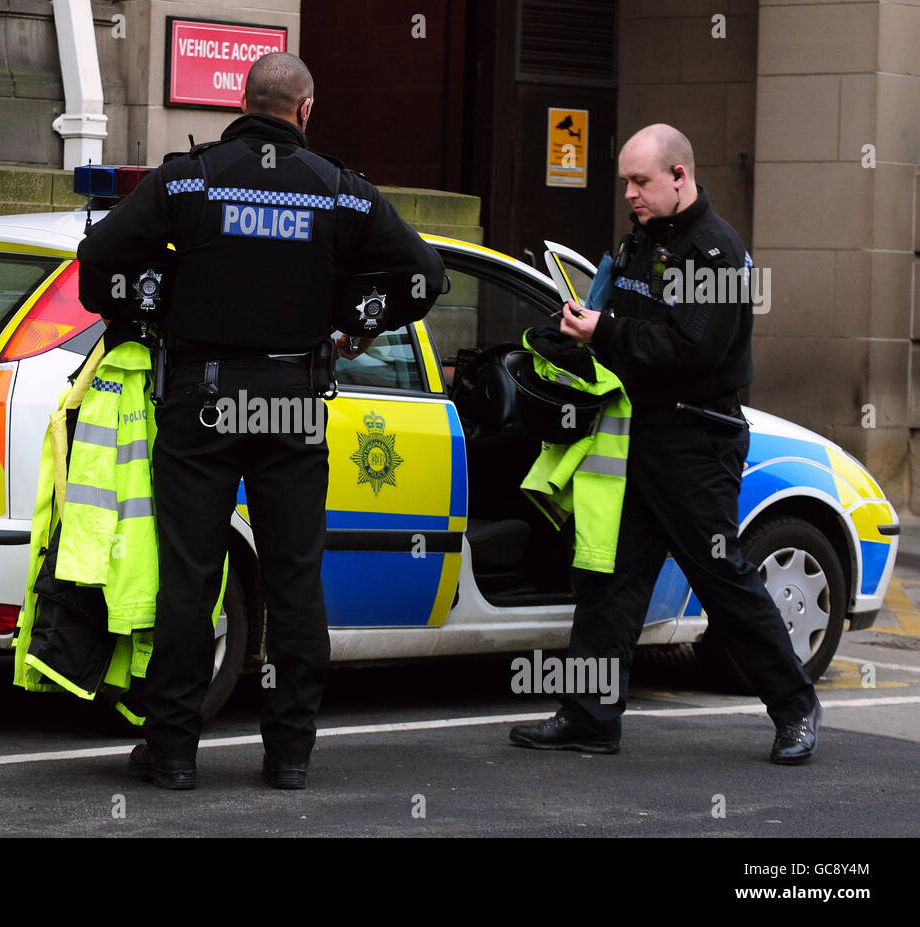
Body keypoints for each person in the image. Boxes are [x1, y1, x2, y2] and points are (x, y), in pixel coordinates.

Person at [77, 52, 444, 789]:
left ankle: (174, 751)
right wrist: (353, 313)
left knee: (190, 577)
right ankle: (290, 754)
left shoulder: (189, 177)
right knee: (294, 581)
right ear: (305, 111)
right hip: (293, 397)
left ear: (240, 103)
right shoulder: (341, 193)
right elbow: (424, 279)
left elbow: (99, 264)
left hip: (202, 396)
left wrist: (167, 297)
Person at [509, 124, 822, 764]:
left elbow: (691, 350)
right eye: (626, 181)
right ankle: (589, 718)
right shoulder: (640, 245)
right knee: (609, 578)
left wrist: (606, 332)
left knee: (721, 579)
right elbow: (618, 326)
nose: (630, 193)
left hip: (696, 440)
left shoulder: (717, 254)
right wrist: (569, 337)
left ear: (680, 175)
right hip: (636, 434)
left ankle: (795, 706)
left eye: (641, 181)